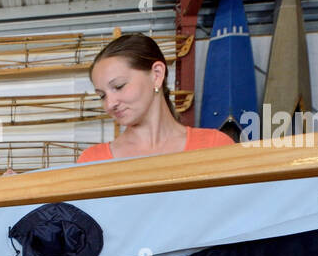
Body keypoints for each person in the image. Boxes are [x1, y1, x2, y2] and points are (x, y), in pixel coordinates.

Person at [80, 33, 233, 163]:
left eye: (119, 86)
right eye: (102, 96)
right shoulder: (92, 160)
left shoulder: (215, 146)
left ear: (157, 74)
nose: (110, 104)